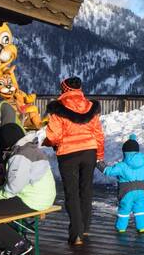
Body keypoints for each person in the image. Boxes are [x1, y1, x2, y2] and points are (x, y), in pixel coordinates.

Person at [0, 123, 53, 255]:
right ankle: (3, 242)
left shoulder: (20, 155)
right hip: (42, 196)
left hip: (32, 199)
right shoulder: (31, 149)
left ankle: (17, 244)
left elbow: (12, 188)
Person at [44, 77, 103, 245]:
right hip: (89, 152)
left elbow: (53, 136)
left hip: (68, 154)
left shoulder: (58, 108)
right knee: (86, 189)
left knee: (72, 192)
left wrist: (50, 143)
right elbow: (98, 134)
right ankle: (85, 227)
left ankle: (76, 234)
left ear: (63, 89)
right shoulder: (91, 106)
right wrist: (99, 154)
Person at [99, 134, 144, 234]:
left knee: (124, 209)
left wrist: (99, 164)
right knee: (140, 209)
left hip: (127, 191)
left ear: (125, 153)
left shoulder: (122, 166)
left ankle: (121, 228)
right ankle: (142, 228)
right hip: (141, 190)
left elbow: (109, 171)